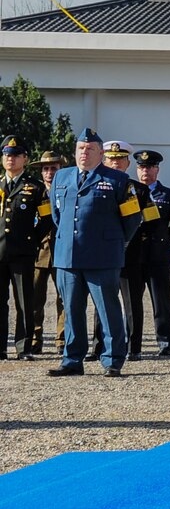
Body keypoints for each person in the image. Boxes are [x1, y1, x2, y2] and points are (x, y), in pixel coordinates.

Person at [46, 128, 142, 377]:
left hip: (103, 256)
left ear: (101, 153)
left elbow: (132, 218)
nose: (84, 153)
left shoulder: (118, 180)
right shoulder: (62, 177)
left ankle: (112, 359)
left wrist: (114, 242)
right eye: (80, 148)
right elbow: (58, 216)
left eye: (90, 149)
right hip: (68, 255)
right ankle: (72, 360)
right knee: (72, 310)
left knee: (108, 309)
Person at [90, 140, 158, 362]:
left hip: (131, 255)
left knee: (132, 304)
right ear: (104, 160)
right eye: (111, 159)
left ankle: (134, 347)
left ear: (128, 163)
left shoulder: (139, 190)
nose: (115, 163)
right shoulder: (93, 185)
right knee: (101, 302)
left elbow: (152, 222)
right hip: (102, 255)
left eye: (120, 159)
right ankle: (98, 346)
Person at [1, 136, 52, 360]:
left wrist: (32, 240)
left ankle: (24, 347)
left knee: (24, 301)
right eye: (7, 155)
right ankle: (1, 348)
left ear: (25, 158)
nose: (10, 159)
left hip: (22, 252)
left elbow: (48, 219)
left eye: (15, 155)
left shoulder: (35, 187)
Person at [132, 149, 170, 356]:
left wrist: (163, 239)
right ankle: (132, 344)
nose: (145, 171)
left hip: (158, 256)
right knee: (132, 303)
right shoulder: (129, 191)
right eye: (141, 167)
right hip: (134, 257)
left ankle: (165, 343)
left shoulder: (169, 195)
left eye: (149, 167)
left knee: (161, 302)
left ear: (157, 169)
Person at [24, 149, 65, 358]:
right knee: (34, 299)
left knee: (64, 300)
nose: (49, 172)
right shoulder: (34, 191)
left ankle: (62, 340)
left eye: (54, 168)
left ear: (61, 170)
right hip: (39, 252)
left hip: (63, 252)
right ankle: (34, 339)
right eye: (46, 169)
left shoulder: (68, 190)